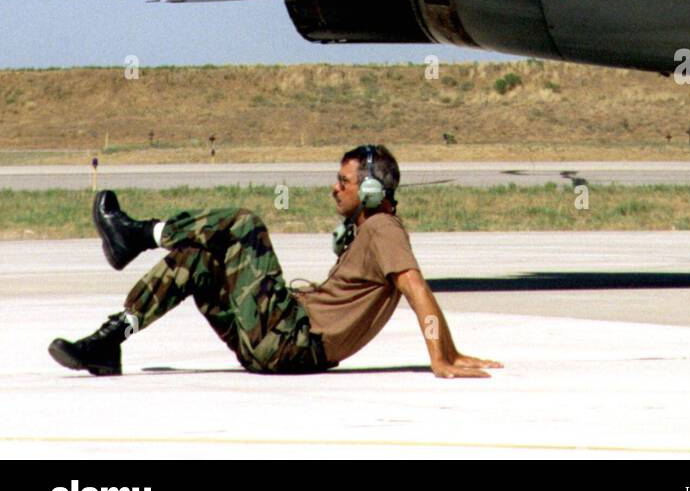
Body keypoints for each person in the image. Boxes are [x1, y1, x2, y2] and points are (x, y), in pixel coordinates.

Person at [48, 143, 501, 381]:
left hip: (292, 340)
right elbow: (419, 291)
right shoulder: (374, 231)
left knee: (245, 224)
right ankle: (110, 340)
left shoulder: (383, 230)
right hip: (275, 345)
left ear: (369, 192)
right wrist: (449, 349)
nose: (334, 188)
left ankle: (139, 234)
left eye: (343, 181)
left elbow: (417, 290)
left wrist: (439, 360)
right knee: (197, 261)